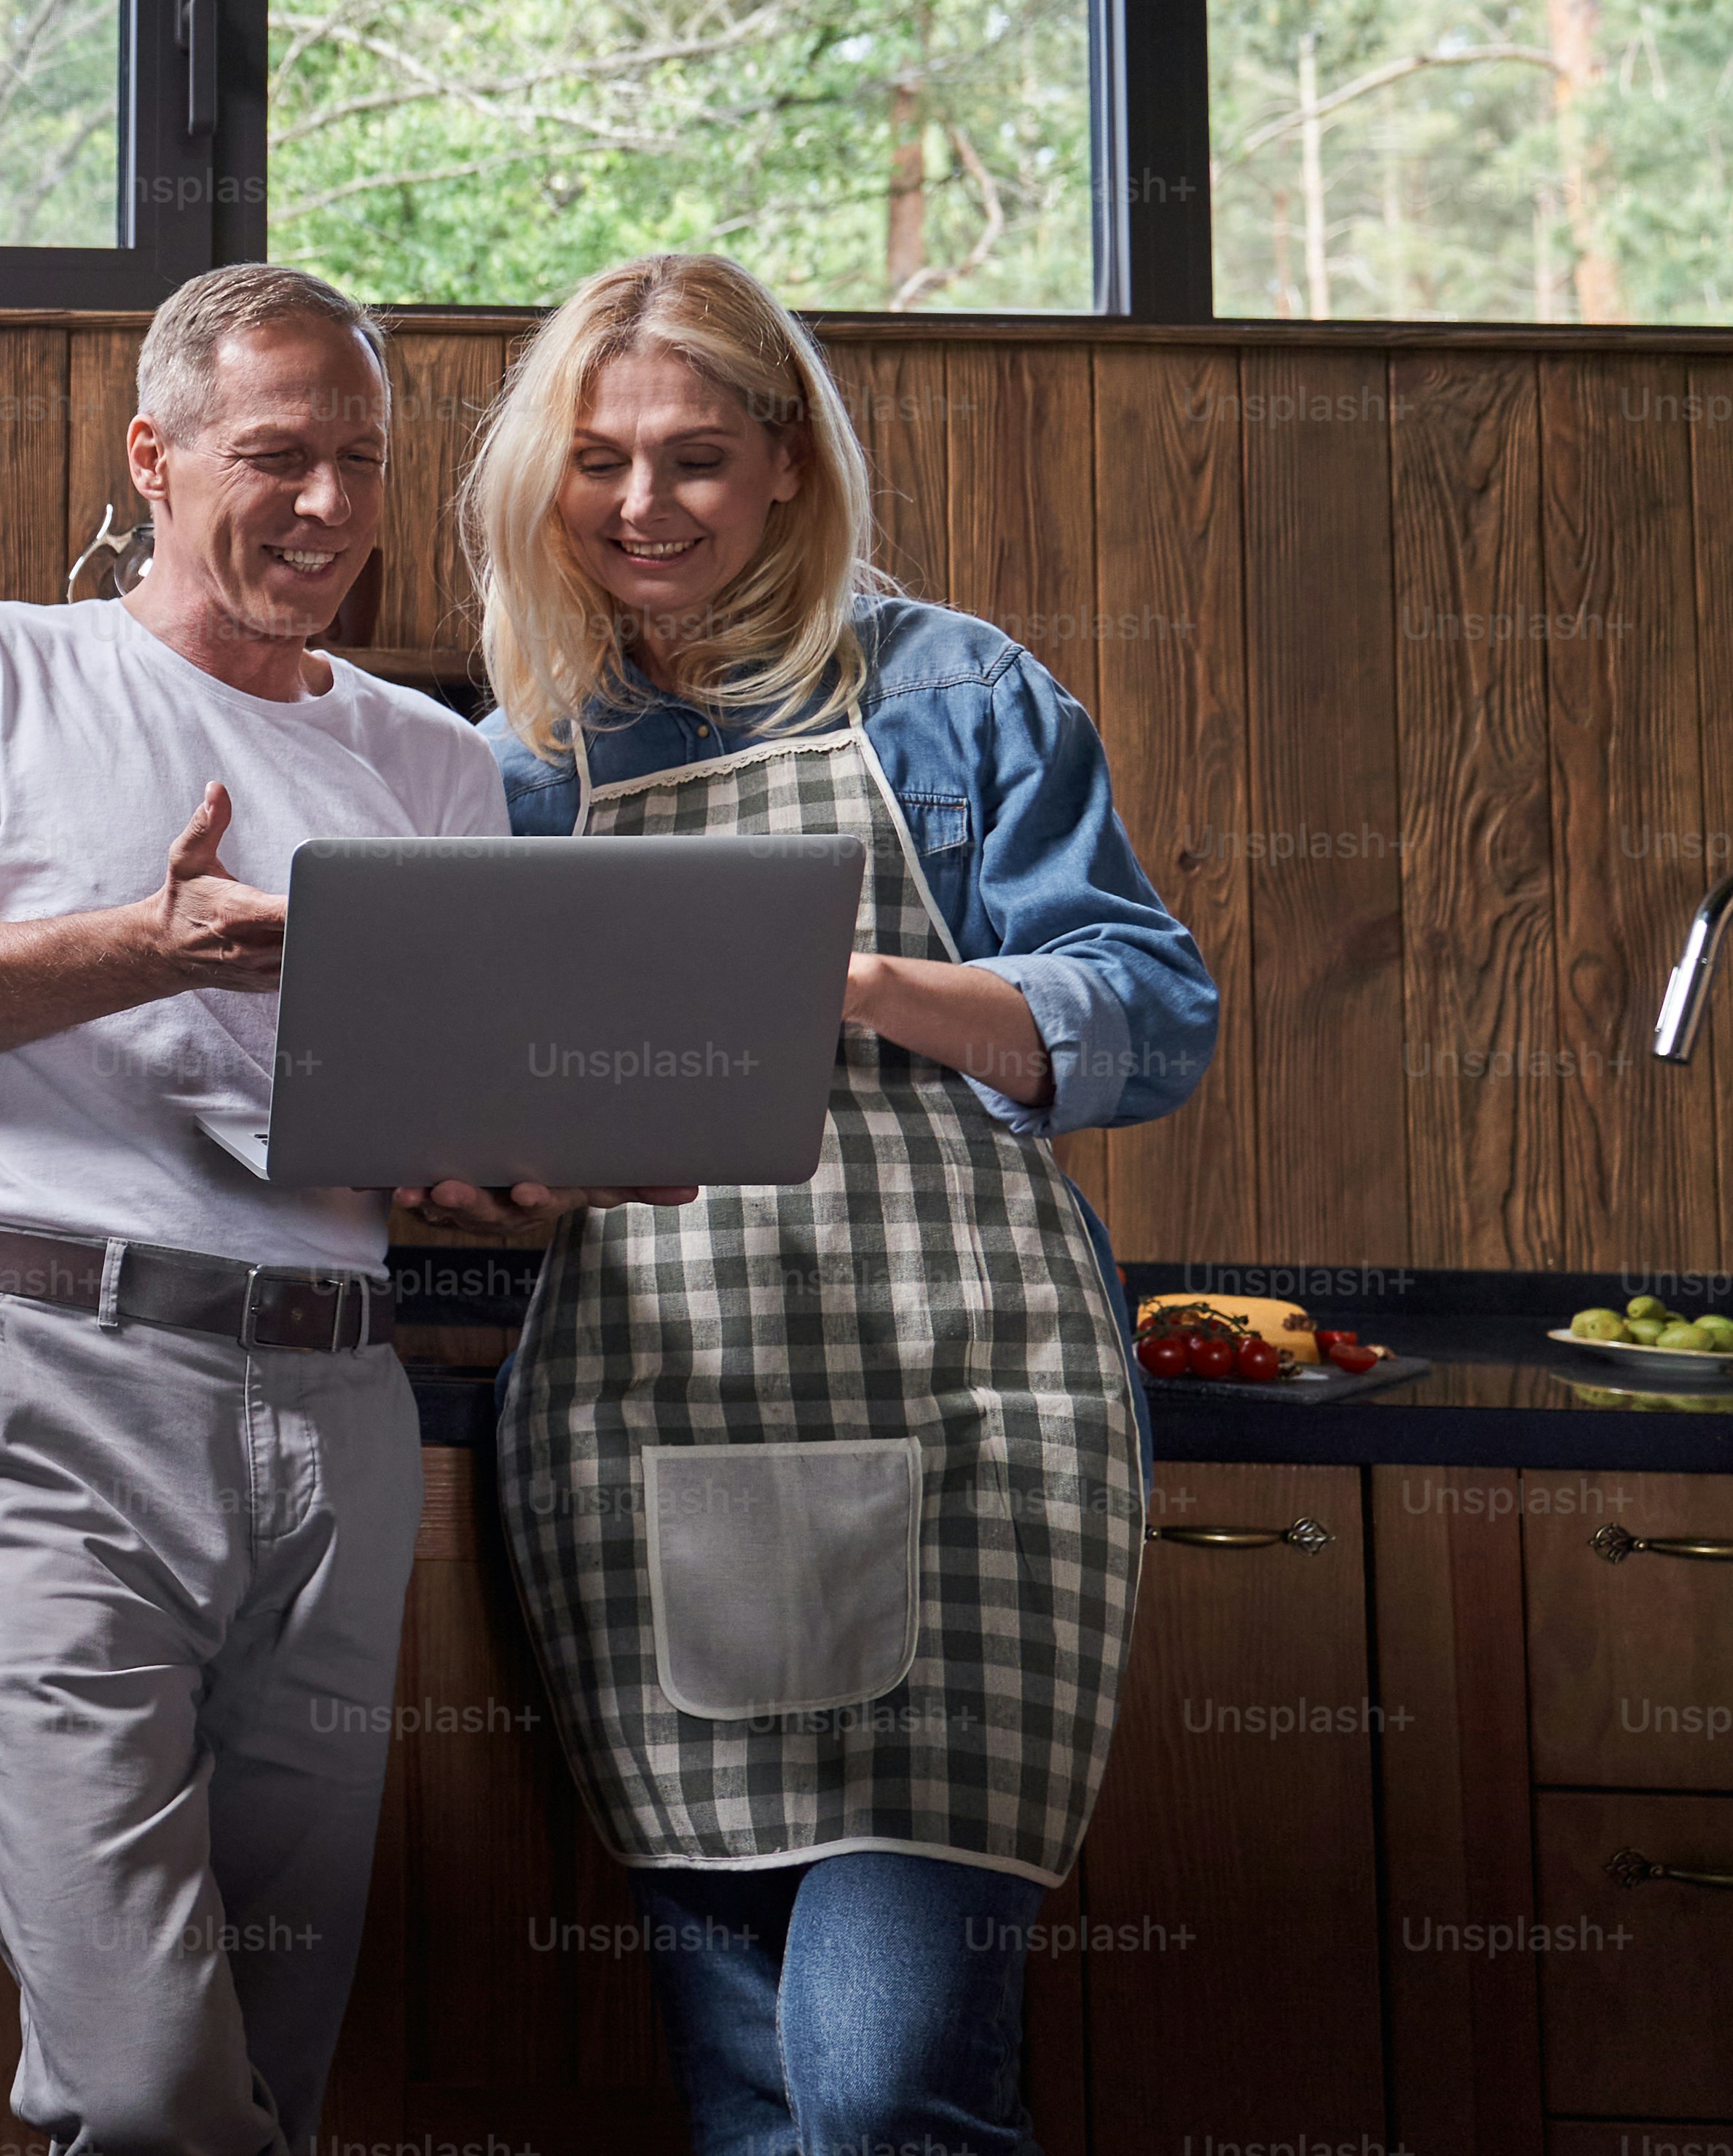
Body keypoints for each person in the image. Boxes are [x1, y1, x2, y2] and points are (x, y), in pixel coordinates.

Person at [0, 264, 667, 2156]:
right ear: (156, 454)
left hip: (335, 1420)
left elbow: (444, 1160)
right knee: (147, 2083)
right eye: (278, 455)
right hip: (45, 1384)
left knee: (278, 2057)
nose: (332, 507)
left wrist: (559, 1160)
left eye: (362, 460)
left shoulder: (434, 762)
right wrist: (150, 941)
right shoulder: (4, 664)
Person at [407, 251, 1214, 2156]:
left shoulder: (951, 696)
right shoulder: (527, 760)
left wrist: (869, 988)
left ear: (785, 461)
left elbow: (1156, 1013)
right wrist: (488, 1177)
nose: (641, 503)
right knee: (756, 2097)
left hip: (966, 1434)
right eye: (595, 460)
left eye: (694, 455)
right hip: (647, 1435)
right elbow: (505, 1135)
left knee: (881, 2086)